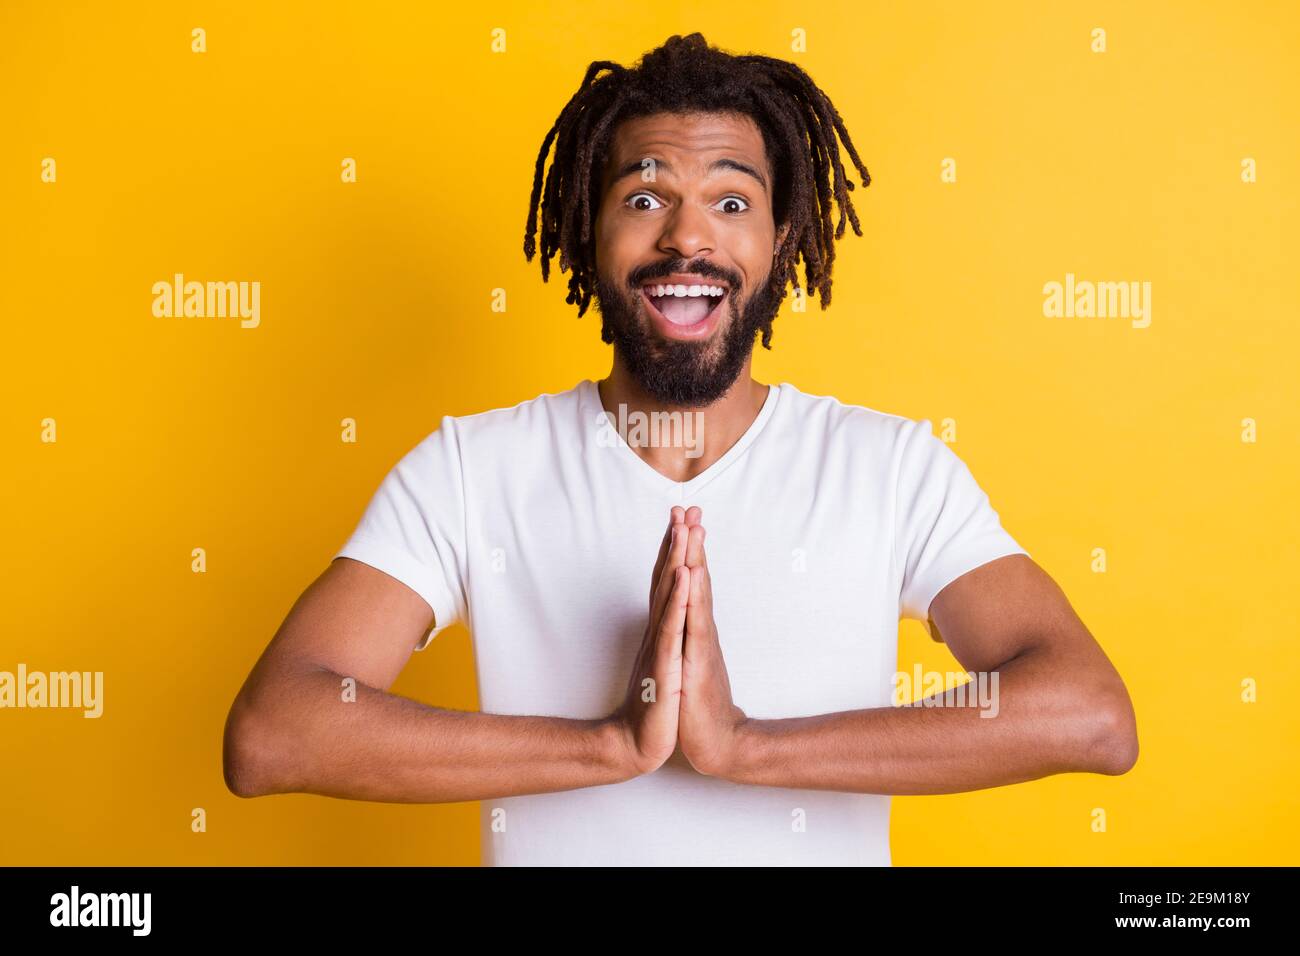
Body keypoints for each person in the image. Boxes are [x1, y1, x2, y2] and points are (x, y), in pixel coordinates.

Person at [223, 33, 1138, 866]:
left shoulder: (889, 468)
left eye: (730, 200)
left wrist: (742, 746)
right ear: (591, 233)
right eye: (646, 196)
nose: (687, 236)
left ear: (781, 243)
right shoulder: (473, 469)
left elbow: (1090, 715)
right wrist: (611, 744)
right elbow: (275, 735)